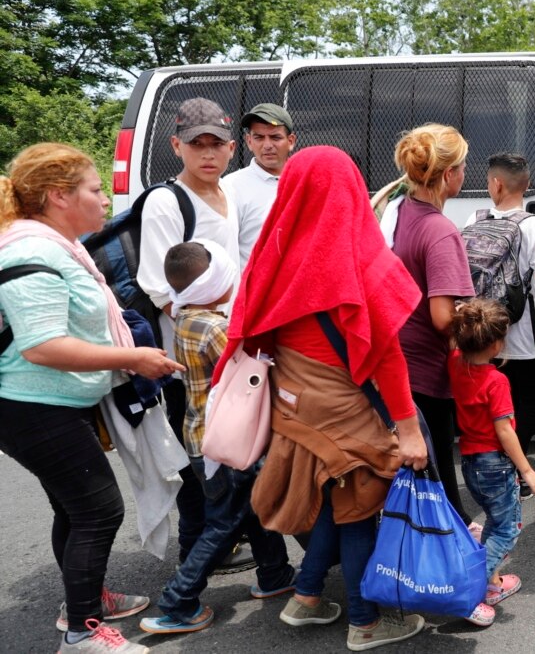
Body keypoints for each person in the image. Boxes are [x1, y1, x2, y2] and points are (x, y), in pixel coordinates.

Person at [224, 145, 429, 650]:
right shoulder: (360, 259)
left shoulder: (273, 254)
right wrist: (407, 429)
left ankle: (308, 596)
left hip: (293, 405)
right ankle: (366, 621)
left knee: (339, 505)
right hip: (342, 409)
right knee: (358, 508)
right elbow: (387, 357)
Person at [0, 142, 185, 653]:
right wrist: (131, 359)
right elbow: (42, 347)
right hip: (31, 406)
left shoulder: (60, 245)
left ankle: (84, 603)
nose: (105, 201)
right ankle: (83, 634)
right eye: (95, 189)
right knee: (99, 511)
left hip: (51, 403)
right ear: (60, 196)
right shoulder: (30, 252)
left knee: (73, 508)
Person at [138, 240, 294, 636]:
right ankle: (178, 603)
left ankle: (275, 574)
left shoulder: (185, 318)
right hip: (228, 442)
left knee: (250, 507)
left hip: (199, 436)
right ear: (214, 284)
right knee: (224, 523)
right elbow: (253, 373)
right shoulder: (217, 328)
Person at [136, 96, 252, 573]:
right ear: (176, 145)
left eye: (217, 144)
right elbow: (159, 283)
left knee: (225, 446)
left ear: (230, 148)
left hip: (227, 341)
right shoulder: (166, 201)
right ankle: (198, 548)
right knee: (197, 453)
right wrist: (205, 330)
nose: (208, 153)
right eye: (196, 144)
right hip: (189, 353)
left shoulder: (227, 194)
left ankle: (223, 536)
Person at [385, 123, 475, 524]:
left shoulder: (400, 209)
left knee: (415, 473)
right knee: (436, 471)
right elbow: (442, 317)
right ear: (448, 174)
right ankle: (459, 563)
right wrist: (480, 325)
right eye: (462, 165)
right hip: (425, 368)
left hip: (396, 360)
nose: (465, 172)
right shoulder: (439, 230)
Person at [447, 297, 535, 625]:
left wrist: (460, 317)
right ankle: (470, 593)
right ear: (495, 344)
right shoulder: (496, 381)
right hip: (495, 464)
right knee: (506, 531)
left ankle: (491, 584)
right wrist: (527, 470)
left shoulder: (456, 362)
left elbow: (452, 342)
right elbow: (505, 431)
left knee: (492, 521)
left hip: (471, 464)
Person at [466, 153, 535, 500]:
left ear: (496, 184)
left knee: (489, 404)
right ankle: (514, 468)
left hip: (483, 331)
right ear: (527, 185)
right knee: (531, 397)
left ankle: (491, 465)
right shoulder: (534, 225)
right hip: (519, 335)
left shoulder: (475, 219)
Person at [224, 103, 297, 267]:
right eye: (259, 137)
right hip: (252, 292)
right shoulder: (231, 187)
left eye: (275, 137)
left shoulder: (306, 182)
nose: (267, 145)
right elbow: (224, 254)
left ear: (291, 141)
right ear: (249, 141)